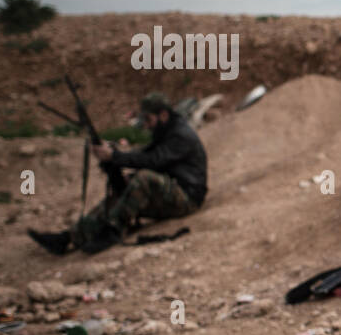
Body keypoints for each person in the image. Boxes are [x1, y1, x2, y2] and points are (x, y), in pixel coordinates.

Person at [28, 92, 207, 255]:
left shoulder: (180, 135)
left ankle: (113, 230)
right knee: (126, 185)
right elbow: (147, 155)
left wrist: (115, 156)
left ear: (163, 115)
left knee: (143, 179)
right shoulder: (167, 130)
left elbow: (154, 160)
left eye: (148, 119)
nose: (146, 125)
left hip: (187, 197)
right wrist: (113, 157)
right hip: (173, 191)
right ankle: (69, 237)